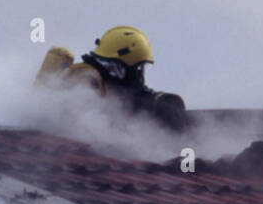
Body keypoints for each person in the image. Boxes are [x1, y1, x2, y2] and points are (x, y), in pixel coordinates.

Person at [34, 25, 189, 131]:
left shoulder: (108, 81)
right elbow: (83, 123)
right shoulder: (86, 78)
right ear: (120, 65)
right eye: (137, 68)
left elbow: (137, 96)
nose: (139, 75)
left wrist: (161, 102)